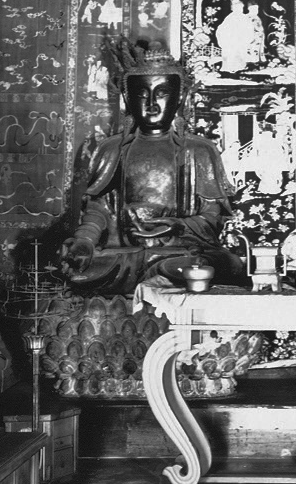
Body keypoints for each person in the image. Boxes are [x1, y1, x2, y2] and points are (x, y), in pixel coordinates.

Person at [51, 38, 241, 297]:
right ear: (127, 100)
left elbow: (212, 217)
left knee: (228, 265)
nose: (151, 104)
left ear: (181, 98)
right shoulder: (112, 149)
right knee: (81, 268)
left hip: (181, 254)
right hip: (124, 257)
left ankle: (147, 282)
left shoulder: (199, 150)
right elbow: (99, 210)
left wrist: (178, 226)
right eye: (142, 94)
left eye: (162, 93)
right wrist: (84, 241)